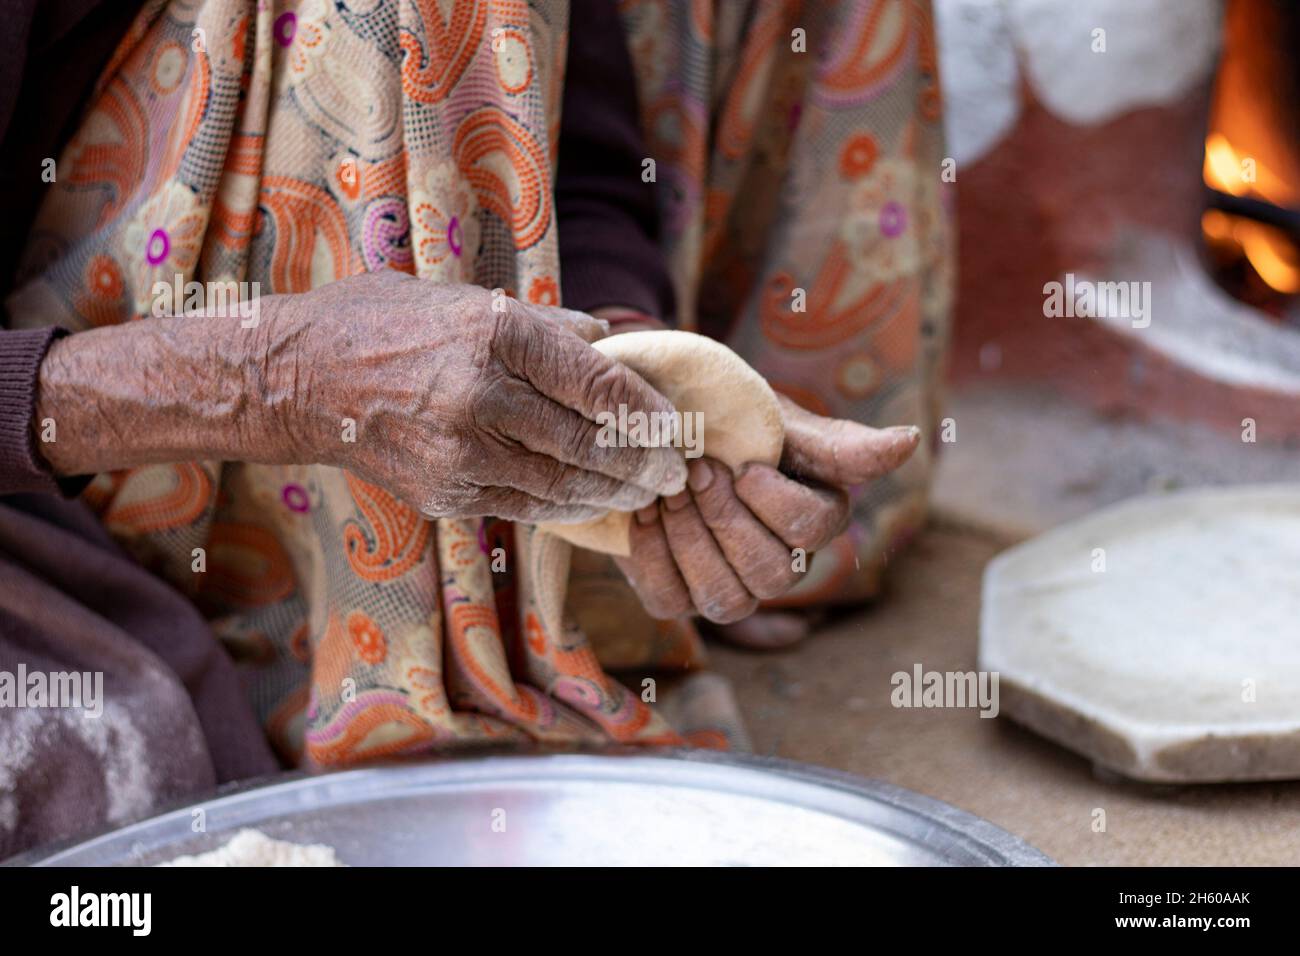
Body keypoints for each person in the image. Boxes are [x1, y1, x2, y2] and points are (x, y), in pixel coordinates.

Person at [1, 0, 950, 855]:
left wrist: (615, 355)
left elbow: (573, 151)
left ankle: (523, 563)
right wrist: (275, 379)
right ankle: (324, 633)